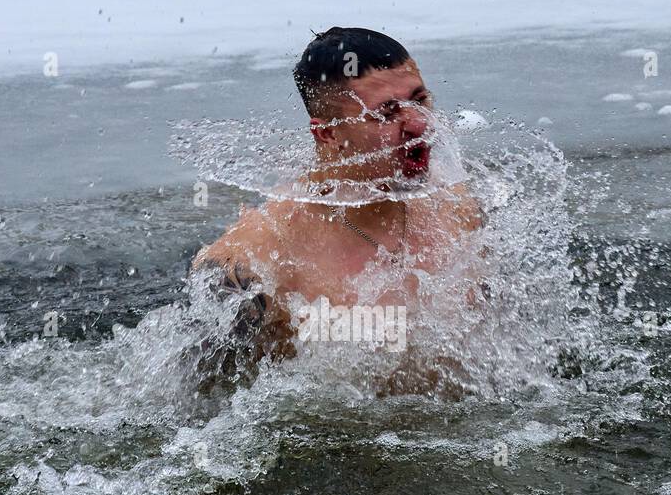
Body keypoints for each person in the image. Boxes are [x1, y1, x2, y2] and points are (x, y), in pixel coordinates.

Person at [189, 26, 483, 385]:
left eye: (419, 100)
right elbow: (201, 405)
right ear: (327, 133)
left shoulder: (457, 207)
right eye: (387, 113)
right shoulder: (257, 257)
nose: (419, 125)